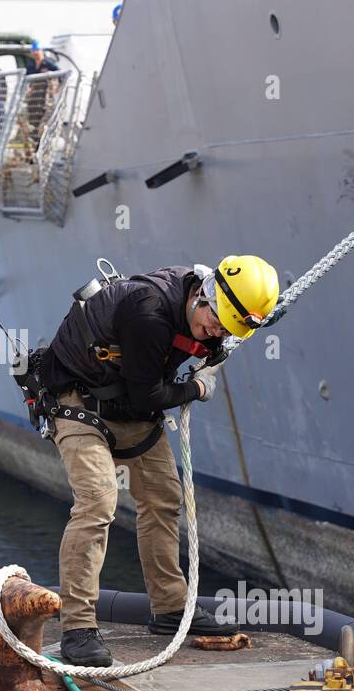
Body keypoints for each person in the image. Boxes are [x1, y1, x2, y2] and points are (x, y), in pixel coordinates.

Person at [28, 256, 280, 667]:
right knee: (97, 502)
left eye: (225, 331)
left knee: (163, 497)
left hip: (128, 405)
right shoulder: (149, 312)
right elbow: (149, 396)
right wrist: (198, 387)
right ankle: (78, 628)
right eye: (214, 324)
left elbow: (147, 391)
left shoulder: (203, 308)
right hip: (77, 402)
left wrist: (218, 340)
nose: (216, 334)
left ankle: (170, 609)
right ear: (203, 296)